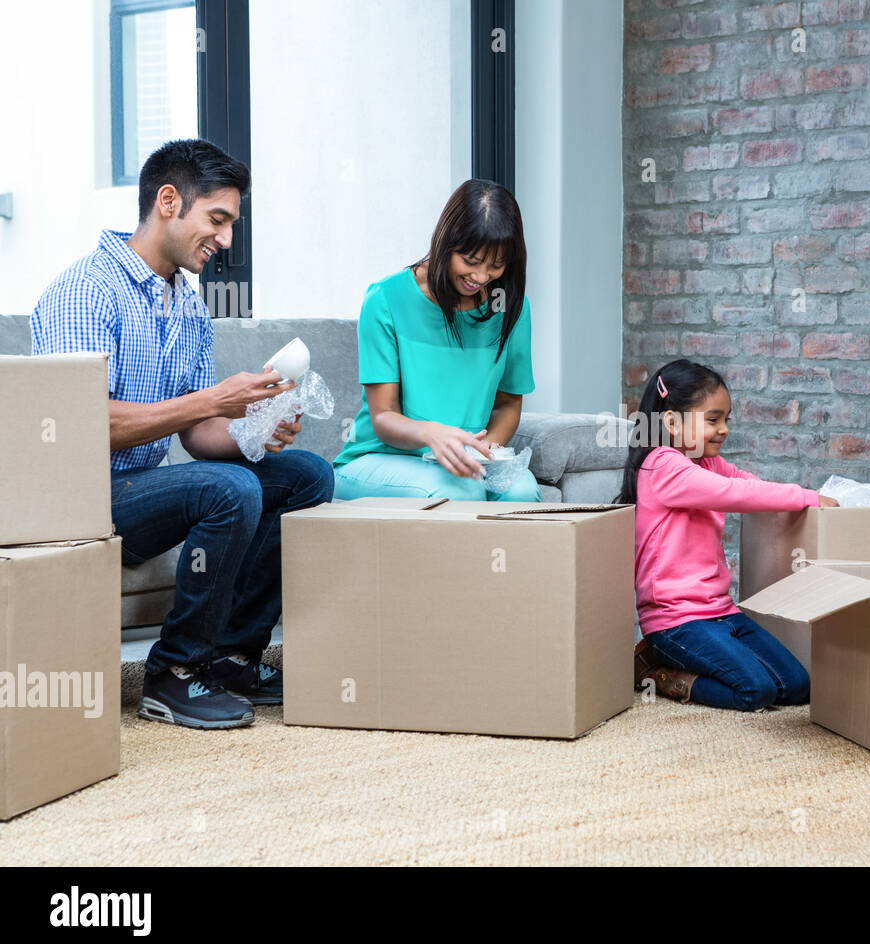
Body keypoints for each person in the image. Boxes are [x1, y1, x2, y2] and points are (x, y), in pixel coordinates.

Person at [30, 139, 334, 731]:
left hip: (142, 486)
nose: (225, 241)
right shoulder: (85, 292)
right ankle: (171, 674)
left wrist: (253, 429)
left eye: (231, 225)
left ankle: (229, 657)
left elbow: (198, 433)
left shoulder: (187, 305)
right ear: (168, 202)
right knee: (229, 491)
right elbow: (79, 426)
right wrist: (212, 398)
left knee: (308, 476)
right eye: (216, 220)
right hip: (78, 495)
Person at [618, 359, 838, 711]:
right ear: (672, 422)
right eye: (712, 419)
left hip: (721, 611)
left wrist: (807, 499)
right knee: (755, 691)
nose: (723, 429)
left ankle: (683, 663)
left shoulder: (705, 463)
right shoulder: (661, 466)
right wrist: (806, 497)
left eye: (726, 419)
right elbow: (736, 495)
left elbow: (748, 484)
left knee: (797, 686)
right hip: (675, 621)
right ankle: (659, 673)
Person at [332, 179, 540, 502]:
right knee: (458, 492)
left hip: (464, 464)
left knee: (522, 492)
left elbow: (507, 404)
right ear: (446, 242)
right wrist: (432, 435)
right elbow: (384, 417)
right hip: (378, 459)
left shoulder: (510, 308)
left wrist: (484, 450)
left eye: (496, 265)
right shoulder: (385, 300)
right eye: (471, 261)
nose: (481, 277)